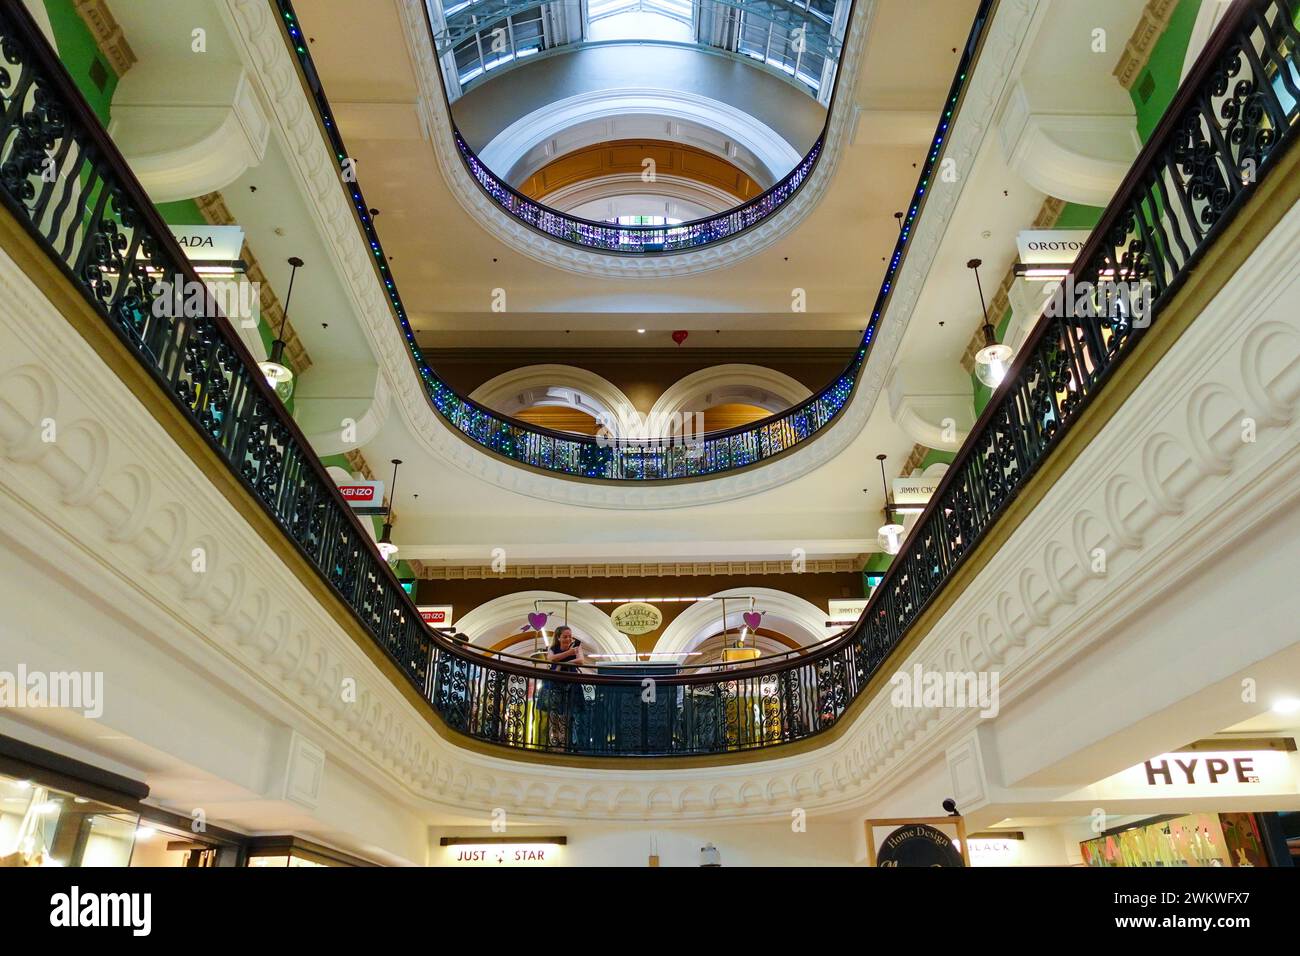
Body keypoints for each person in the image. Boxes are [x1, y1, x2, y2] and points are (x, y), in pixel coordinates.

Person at [545, 626, 585, 747]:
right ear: (558, 637)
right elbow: (551, 658)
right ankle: (554, 738)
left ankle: (564, 739)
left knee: (567, 711)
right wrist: (569, 653)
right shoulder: (553, 648)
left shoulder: (577, 646)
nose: (568, 639)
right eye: (565, 636)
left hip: (571, 682)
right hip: (556, 682)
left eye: (570, 636)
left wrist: (563, 663)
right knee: (554, 711)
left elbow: (581, 661)